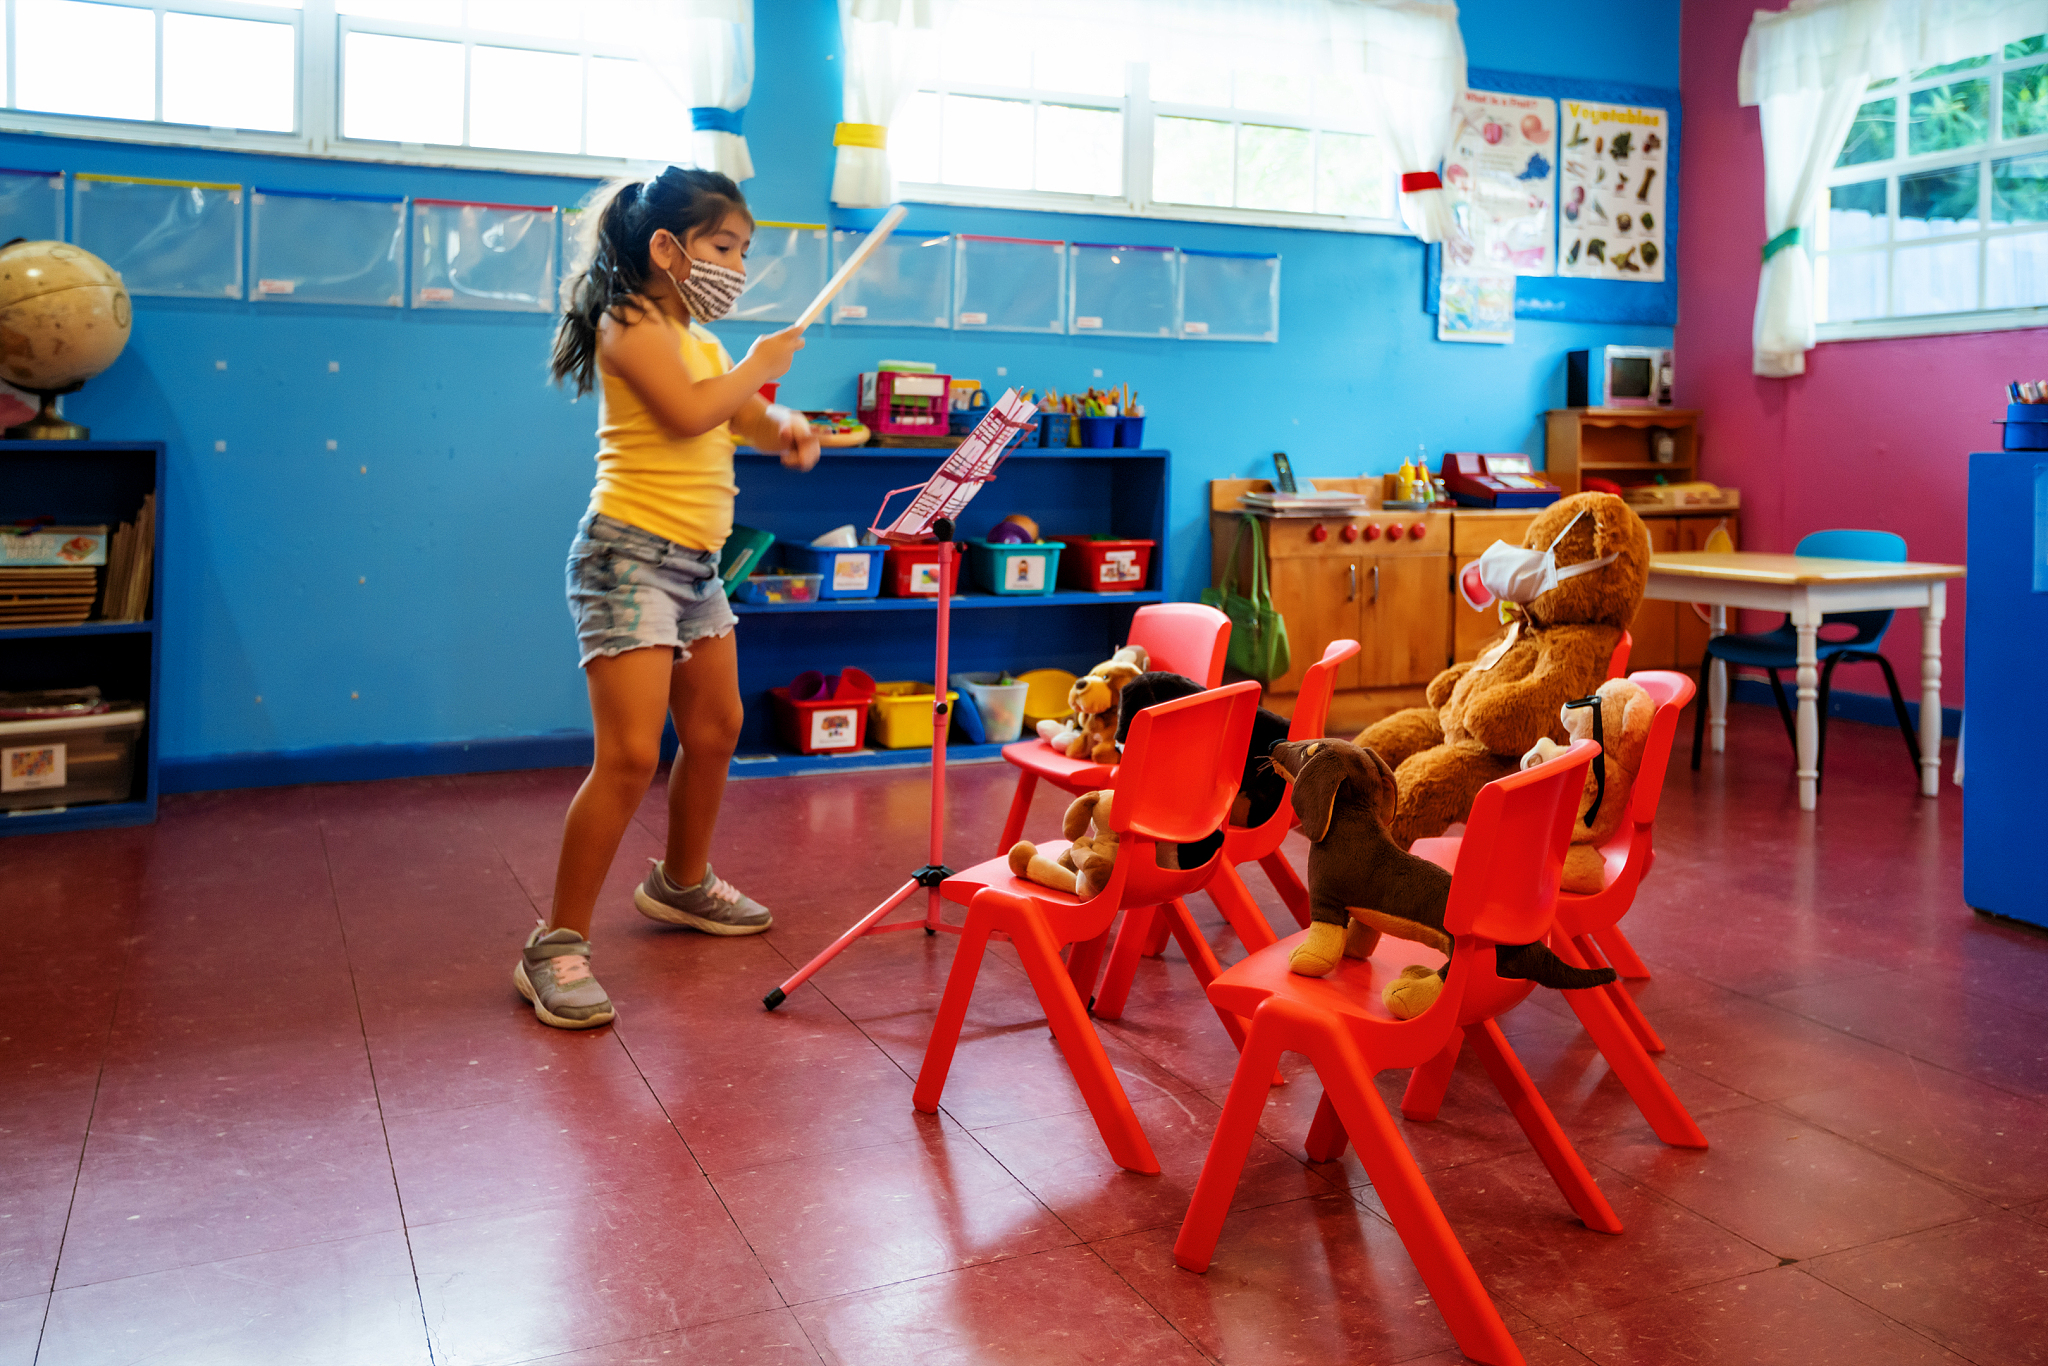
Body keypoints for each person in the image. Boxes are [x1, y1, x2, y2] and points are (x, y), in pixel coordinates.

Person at [520, 166, 819, 1030]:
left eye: (744, 251)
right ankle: (554, 944)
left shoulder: (704, 341)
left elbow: (738, 417)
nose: (738, 264)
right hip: (627, 561)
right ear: (667, 246)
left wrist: (786, 422)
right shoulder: (632, 324)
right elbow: (691, 415)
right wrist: (759, 367)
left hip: (696, 565)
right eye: (725, 246)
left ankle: (681, 884)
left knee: (717, 727)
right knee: (627, 758)